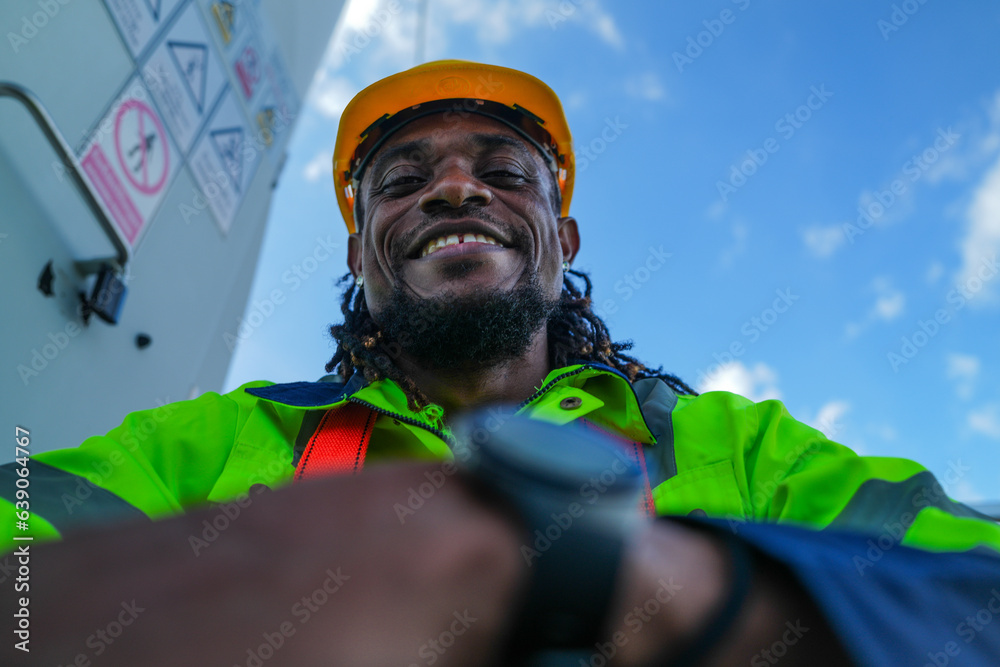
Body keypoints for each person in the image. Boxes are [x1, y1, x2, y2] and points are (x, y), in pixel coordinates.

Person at [2, 60, 999, 666]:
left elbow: (974, 585)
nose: (449, 189)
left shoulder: (726, 443)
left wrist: (660, 591)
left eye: (501, 171)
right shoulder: (220, 437)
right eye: (402, 180)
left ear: (559, 233)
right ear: (360, 252)